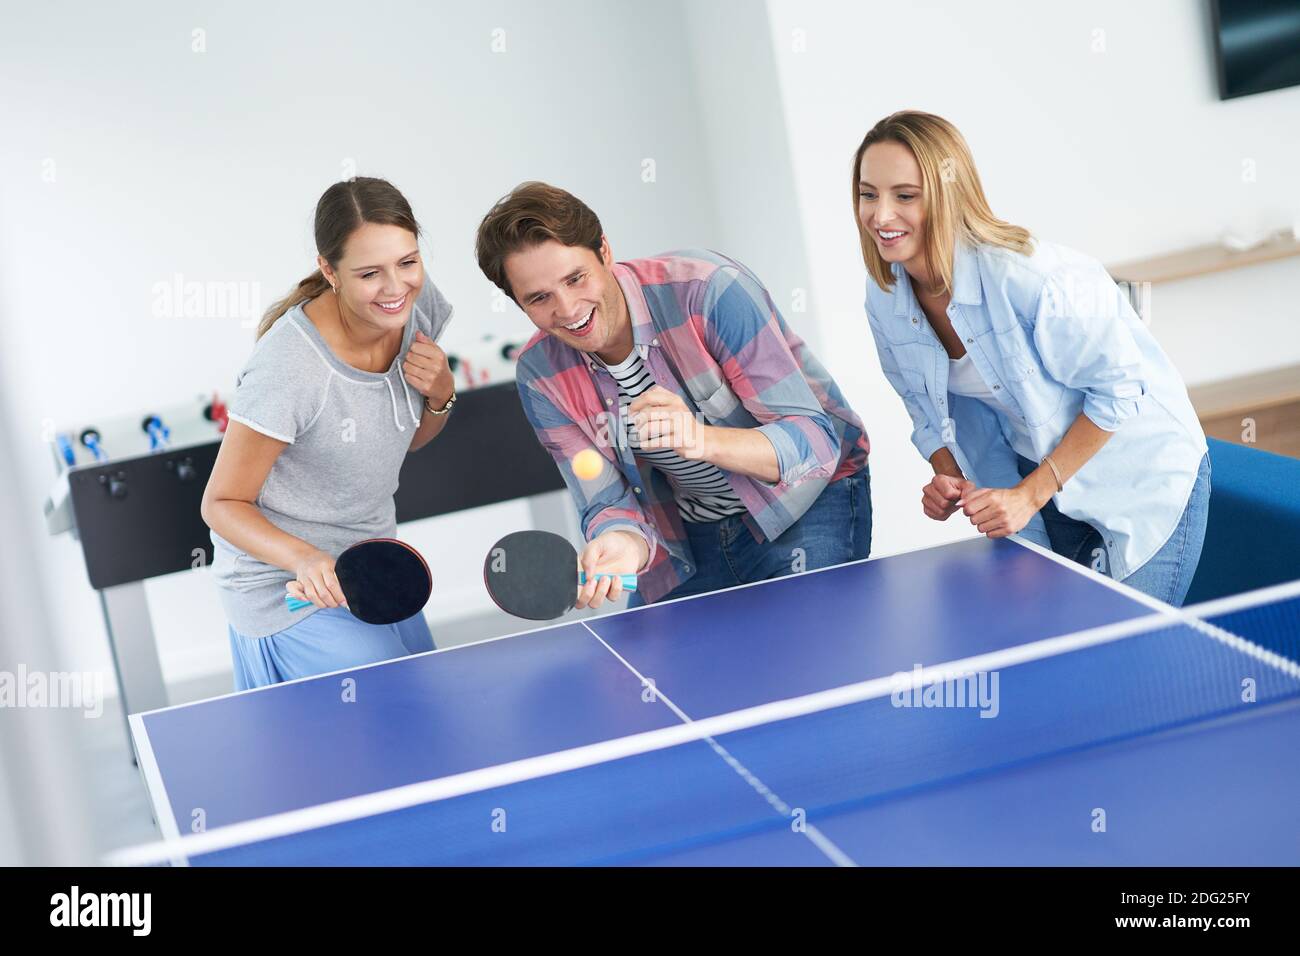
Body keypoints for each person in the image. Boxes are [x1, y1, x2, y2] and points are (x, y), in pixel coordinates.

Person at [855, 111, 1209, 605]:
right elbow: (924, 408)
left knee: (1125, 655)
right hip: (1030, 474)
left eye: (905, 196)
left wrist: (1030, 494)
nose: (881, 215)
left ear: (947, 196)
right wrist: (948, 475)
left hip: (1136, 471)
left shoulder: (1030, 278)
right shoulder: (885, 295)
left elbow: (1121, 389)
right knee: (1057, 652)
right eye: (868, 194)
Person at [475, 181, 872, 609]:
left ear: (604, 251)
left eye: (576, 278)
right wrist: (623, 545)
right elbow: (605, 499)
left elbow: (815, 440)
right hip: (687, 533)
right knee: (655, 674)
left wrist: (700, 439)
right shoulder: (540, 375)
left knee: (810, 661)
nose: (569, 309)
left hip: (805, 503)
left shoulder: (709, 291)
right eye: (539, 298)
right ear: (518, 302)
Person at [202, 177, 457, 688]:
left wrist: (441, 394)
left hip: (372, 567)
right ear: (329, 270)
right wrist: (305, 558)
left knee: (426, 710)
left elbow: (404, 441)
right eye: (369, 273)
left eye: (407, 262)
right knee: (396, 700)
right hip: (288, 588)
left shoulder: (417, 305)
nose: (395, 287)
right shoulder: (289, 367)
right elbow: (222, 503)